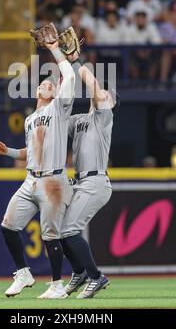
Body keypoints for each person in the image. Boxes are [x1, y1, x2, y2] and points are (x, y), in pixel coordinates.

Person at [0, 34, 75, 299]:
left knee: (51, 235)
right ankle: (23, 273)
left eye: (51, 83)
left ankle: (57, 285)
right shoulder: (30, 119)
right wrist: (9, 151)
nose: (47, 84)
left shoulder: (59, 110)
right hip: (31, 179)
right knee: (8, 226)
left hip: (53, 181)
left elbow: (69, 78)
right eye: (44, 83)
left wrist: (55, 51)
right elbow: (30, 153)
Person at [60, 56, 116, 298]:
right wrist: (64, 81)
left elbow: (94, 88)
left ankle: (95, 276)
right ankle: (79, 272)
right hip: (81, 181)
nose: (103, 94)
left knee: (69, 230)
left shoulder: (104, 118)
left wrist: (76, 61)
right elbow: (58, 122)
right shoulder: (81, 119)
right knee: (60, 231)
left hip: (96, 182)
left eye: (108, 95)